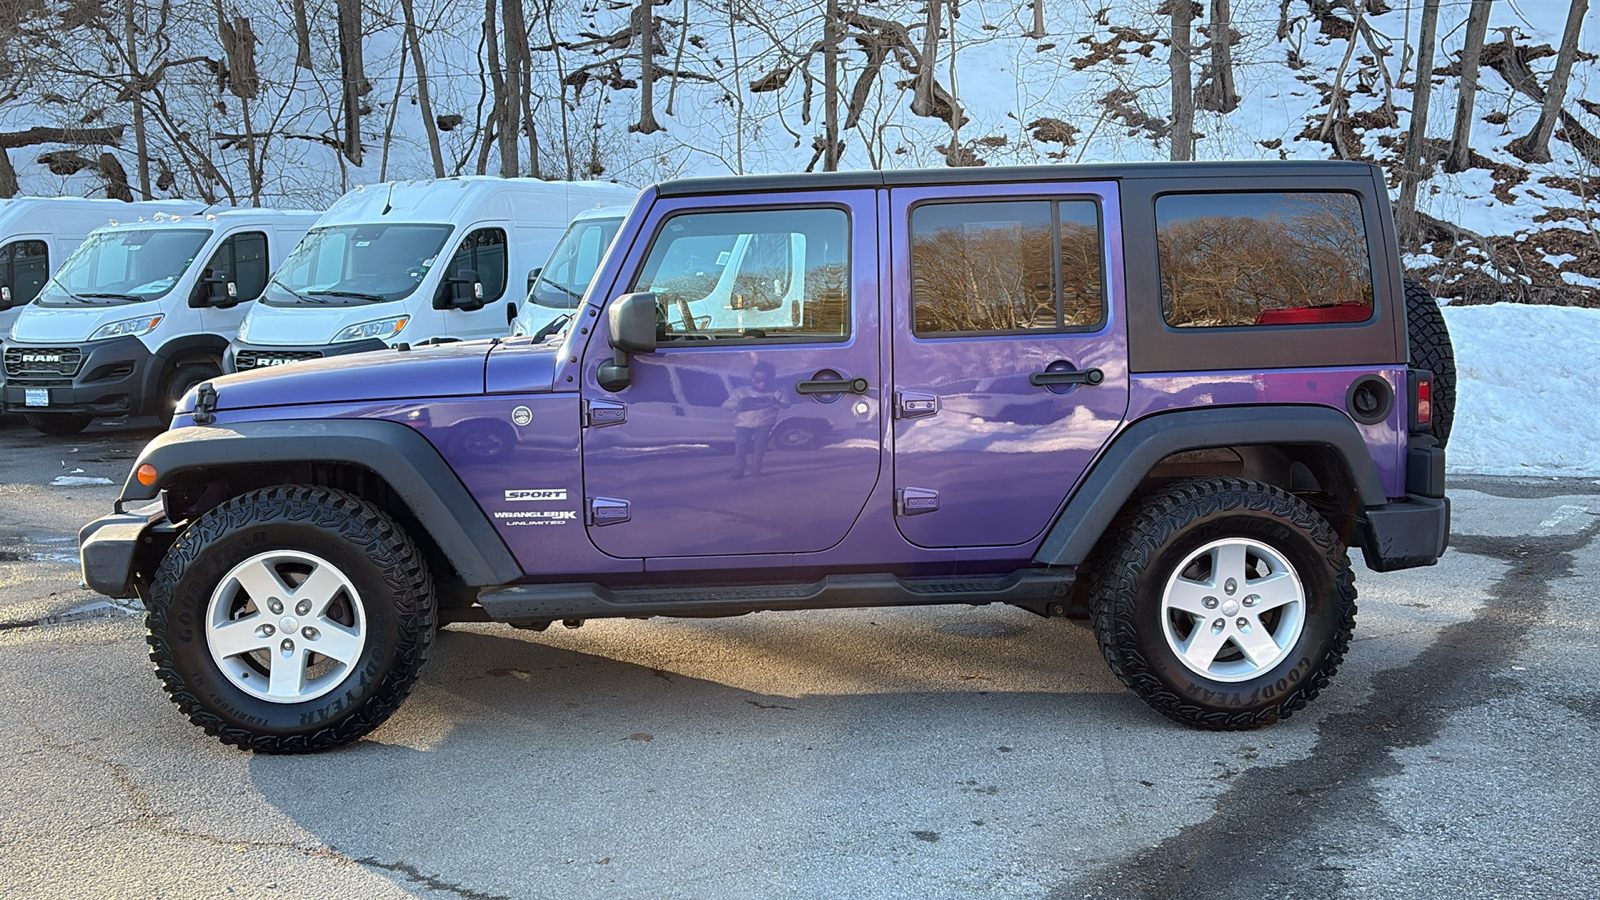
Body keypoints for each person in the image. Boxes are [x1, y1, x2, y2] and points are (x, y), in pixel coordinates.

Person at [726, 361, 786, 479]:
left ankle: (756, 469)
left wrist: (776, 399)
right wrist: (739, 403)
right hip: (743, 423)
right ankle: (739, 470)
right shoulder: (742, 391)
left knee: (760, 446)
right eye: (758, 380)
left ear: (771, 379)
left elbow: (786, 404)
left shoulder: (776, 391)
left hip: (765, 422)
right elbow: (726, 406)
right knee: (741, 446)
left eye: (765, 380)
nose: (762, 384)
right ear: (752, 377)